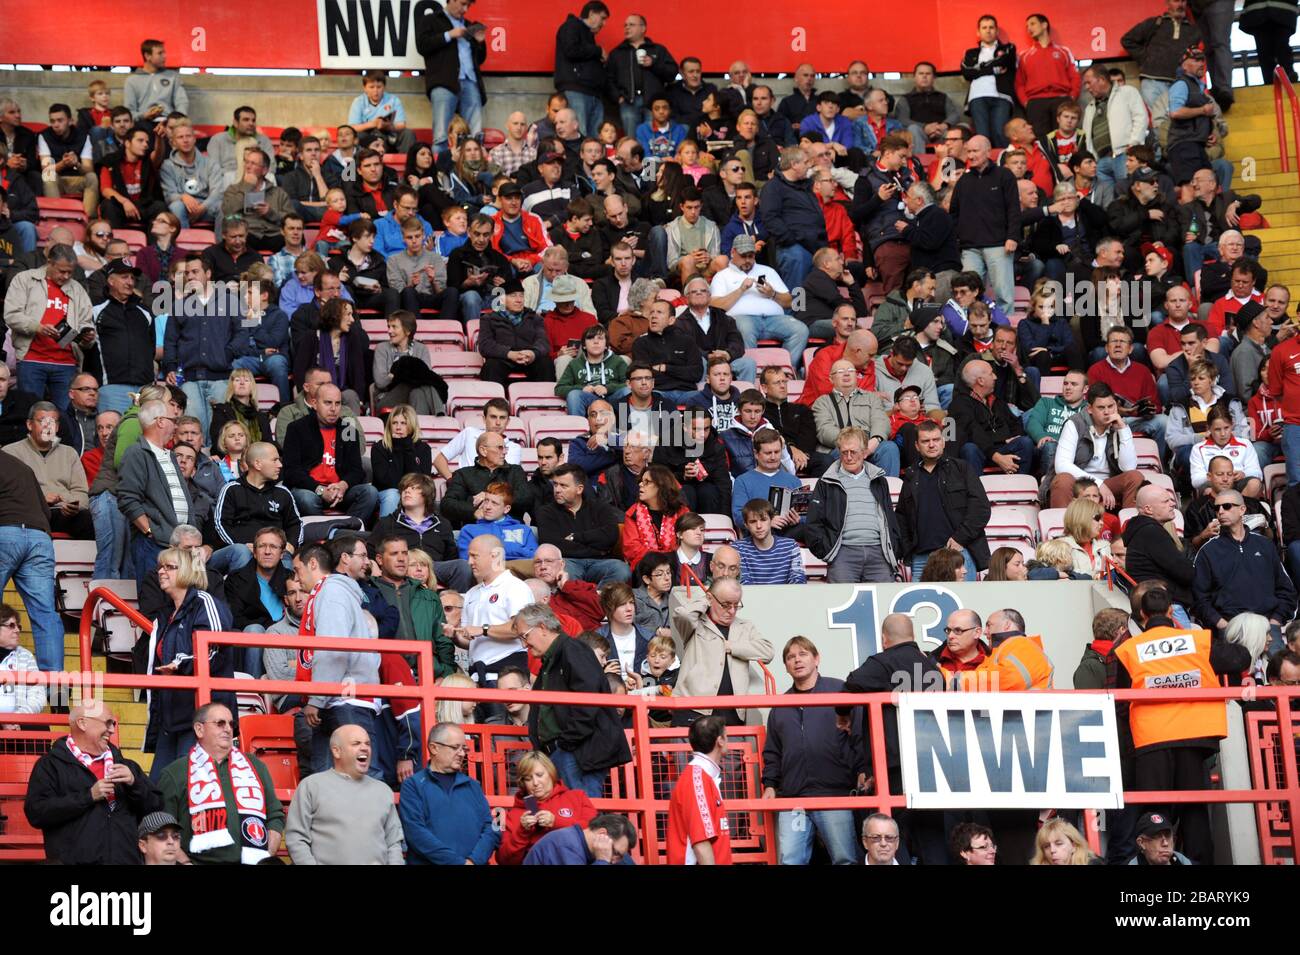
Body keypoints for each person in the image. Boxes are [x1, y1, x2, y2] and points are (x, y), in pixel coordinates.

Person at [1114, 587, 1250, 864]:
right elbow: (1241, 657)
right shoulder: (1196, 640)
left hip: (1150, 740)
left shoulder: (1128, 650)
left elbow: (1121, 703)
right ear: (1169, 612)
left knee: (1155, 811)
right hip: (1194, 736)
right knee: (1194, 809)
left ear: (1142, 615)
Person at [838, 612, 944, 863]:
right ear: (913, 636)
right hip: (933, 765)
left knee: (893, 834)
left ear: (884, 639)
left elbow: (850, 685)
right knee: (932, 838)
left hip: (896, 766)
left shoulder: (883, 662)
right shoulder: (932, 665)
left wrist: (843, 715)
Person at [761, 636, 862, 865]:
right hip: (793, 798)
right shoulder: (780, 706)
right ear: (785, 666)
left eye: (803, 654)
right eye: (790, 657)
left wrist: (862, 770)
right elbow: (773, 752)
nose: (797, 660)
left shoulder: (839, 692)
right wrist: (769, 785)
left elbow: (858, 737)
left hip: (834, 794)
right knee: (790, 860)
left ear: (817, 659)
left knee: (845, 859)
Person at [515, 602, 631, 796]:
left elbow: (589, 699)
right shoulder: (554, 657)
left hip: (576, 751)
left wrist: (565, 744)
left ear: (542, 628)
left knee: (580, 812)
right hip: (567, 749)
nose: (524, 644)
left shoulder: (572, 650)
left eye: (525, 636)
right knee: (572, 811)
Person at [24, 700, 159, 864]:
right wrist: (88, 796)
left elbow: (157, 809)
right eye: (108, 723)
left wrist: (135, 784)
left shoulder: (127, 767)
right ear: (82, 723)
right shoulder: (49, 765)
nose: (111, 730)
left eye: (113, 724)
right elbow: (36, 813)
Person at [142, 545, 236, 777]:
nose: (161, 572)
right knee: (159, 789)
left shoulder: (204, 602)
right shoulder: (164, 616)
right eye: (160, 567)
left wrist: (180, 664)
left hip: (201, 715)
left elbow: (213, 647)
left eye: (170, 567)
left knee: (189, 788)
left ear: (186, 572)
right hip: (171, 718)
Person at [155, 701, 283, 864]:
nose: (228, 729)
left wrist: (265, 858)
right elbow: (163, 831)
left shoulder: (255, 765)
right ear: (199, 729)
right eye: (220, 723)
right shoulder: (175, 772)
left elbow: (275, 816)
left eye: (231, 723)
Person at [284, 724, 404, 865]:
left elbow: (394, 843)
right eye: (356, 743)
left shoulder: (383, 790)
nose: (364, 747)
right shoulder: (311, 786)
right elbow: (296, 838)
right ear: (336, 751)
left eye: (367, 743)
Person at [1193, 489, 1296, 654]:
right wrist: (1222, 624)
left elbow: (1286, 590)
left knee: (1281, 674)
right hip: (1232, 626)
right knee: (1236, 676)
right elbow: (1199, 598)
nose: (1220, 512)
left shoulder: (1265, 545)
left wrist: (1275, 621)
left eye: (1226, 506)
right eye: (1216, 508)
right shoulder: (1208, 551)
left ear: (1242, 510)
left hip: (1267, 625)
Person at [894, 419, 991, 579]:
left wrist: (961, 538)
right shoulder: (911, 476)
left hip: (958, 553)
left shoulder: (961, 468)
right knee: (923, 604)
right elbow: (902, 517)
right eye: (926, 441)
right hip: (921, 559)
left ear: (943, 442)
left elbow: (981, 508)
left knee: (965, 603)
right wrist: (908, 547)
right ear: (917, 446)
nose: (932, 445)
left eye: (936, 440)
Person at [672, 577, 774, 726]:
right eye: (725, 605)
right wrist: (706, 601)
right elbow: (683, 615)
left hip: (732, 714)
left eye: (736, 605)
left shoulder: (745, 626)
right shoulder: (696, 623)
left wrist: (733, 647)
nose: (731, 611)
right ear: (710, 598)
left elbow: (768, 651)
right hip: (693, 709)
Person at [803, 426, 900, 582]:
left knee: (883, 604)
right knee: (840, 602)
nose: (848, 457)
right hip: (842, 555)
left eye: (853, 452)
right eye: (844, 452)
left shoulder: (879, 479)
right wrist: (827, 551)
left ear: (864, 452)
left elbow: (891, 518)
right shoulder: (826, 481)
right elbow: (813, 522)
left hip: (879, 554)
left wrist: (894, 548)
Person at [4, 245, 95, 411]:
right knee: (31, 413)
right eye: (61, 271)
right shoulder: (24, 279)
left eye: (70, 272)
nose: (66, 276)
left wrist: (87, 337)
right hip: (31, 358)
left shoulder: (77, 289)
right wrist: (37, 327)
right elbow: (11, 315)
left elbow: (86, 321)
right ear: (49, 263)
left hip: (67, 362)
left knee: (65, 418)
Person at [116, 399, 195, 587]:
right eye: (173, 420)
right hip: (154, 545)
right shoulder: (136, 452)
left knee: (187, 603)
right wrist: (151, 531)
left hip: (183, 545)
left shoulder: (170, 455)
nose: (176, 426)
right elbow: (127, 498)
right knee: (154, 602)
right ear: (160, 421)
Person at [398, 720, 499, 865]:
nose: (462, 754)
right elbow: (416, 834)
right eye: (455, 747)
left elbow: (493, 827)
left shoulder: (473, 786)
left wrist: (474, 860)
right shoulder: (413, 785)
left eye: (464, 748)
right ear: (434, 748)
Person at [708, 234, 809, 373]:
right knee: (745, 329)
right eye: (743, 256)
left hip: (774, 319)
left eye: (751, 256)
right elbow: (714, 305)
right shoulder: (722, 275)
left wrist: (773, 294)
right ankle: (753, 373)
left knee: (801, 329)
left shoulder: (768, 271)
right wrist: (740, 290)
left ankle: (785, 372)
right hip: (742, 319)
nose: (748, 260)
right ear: (733, 252)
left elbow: (789, 302)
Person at [281, 383, 378, 524]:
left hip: (340, 492)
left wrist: (343, 485)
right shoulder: (297, 428)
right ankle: (325, 531)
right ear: (314, 403)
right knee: (304, 498)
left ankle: (344, 531)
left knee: (370, 493)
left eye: (337, 403)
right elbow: (292, 471)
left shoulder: (348, 430)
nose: (333, 409)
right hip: (311, 490)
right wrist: (320, 490)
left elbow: (356, 470)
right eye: (327, 403)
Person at [948, 135, 1019, 316]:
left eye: (975, 151)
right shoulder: (963, 181)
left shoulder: (1004, 175)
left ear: (988, 152)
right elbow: (953, 213)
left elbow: (1013, 209)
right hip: (970, 248)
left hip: (999, 245)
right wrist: (958, 239)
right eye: (968, 151)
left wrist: (1012, 236)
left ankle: (1006, 333)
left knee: (1004, 295)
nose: (971, 155)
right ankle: (970, 334)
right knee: (967, 296)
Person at [1045, 382, 1145, 509]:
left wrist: (1123, 430)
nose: (1107, 412)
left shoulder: (1120, 425)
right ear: (1090, 409)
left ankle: (1130, 526)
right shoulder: (1075, 424)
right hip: (1079, 484)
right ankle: (1061, 527)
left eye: (1111, 406)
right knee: (1062, 479)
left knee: (1135, 477)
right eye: (1101, 408)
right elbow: (1061, 465)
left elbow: (1128, 467)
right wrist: (1098, 484)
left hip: (1109, 484)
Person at [4, 401, 91, 539]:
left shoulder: (69, 453)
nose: (47, 427)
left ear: (57, 427)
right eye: (42, 421)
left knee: (89, 518)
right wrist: (42, 501)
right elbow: (8, 497)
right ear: (29, 425)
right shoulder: (10, 453)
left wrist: (70, 505)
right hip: (29, 514)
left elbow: (82, 493)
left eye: (52, 422)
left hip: (64, 513)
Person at [497, 749, 598, 865]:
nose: (535, 782)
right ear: (523, 783)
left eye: (539, 775)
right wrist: (522, 832)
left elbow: (595, 830)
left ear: (551, 773)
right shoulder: (514, 815)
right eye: (528, 779)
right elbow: (503, 860)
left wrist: (556, 822)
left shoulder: (577, 796)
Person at [1079, 65, 1151, 207]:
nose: (1087, 87)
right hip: (1100, 162)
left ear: (1101, 79)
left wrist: (1134, 145)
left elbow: (1141, 117)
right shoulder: (1089, 107)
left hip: (1123, 155)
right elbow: (1088, 136)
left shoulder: (1127, 92)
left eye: (1088, 82)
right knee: (1107, 204)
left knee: (1129, 196)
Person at [756, 148, 827, 292]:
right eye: (805, 162)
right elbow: (770, 217)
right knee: (797, 291)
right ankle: (795, 312)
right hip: (793, 249)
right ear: (794, 164)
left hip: (814, 245)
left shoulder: (805, 186)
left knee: (816, 290)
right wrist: (790, 240)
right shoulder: (773, 187)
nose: (809, 166)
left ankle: (810, 314)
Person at [666, 714, 733, 865]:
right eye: (726, 736)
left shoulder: (701, 776)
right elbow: (700, 841)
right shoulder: (697, 779)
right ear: (720, 741)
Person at [949, 359, 1035, 475]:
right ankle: (977, 492)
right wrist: (996, 454)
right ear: (981, 381)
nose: (995, 377)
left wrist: (1014, 437)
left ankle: (1018, 487)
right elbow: (973, 431)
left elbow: (1015, 422)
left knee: (1025, 442)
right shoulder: (959, 403)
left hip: (1002, 449)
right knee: (969, 448)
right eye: (991, 373)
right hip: (981, 453)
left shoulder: (996, 401)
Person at [736, 499, 807, 585]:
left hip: (785, 597)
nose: (759, 526)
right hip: (752, 597)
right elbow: (743, 583)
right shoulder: (738, 548)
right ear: (746, 525)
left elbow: (798, 579)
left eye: (763, 520)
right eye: (753, 522)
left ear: (771, 520)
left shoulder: (790, 546)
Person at [523, 812, 638, 865]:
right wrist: (602, 860)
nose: (613, 860)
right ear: (602, 834)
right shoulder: (566, 844)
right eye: (615, 853)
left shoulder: (580, 846)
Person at [1128, 811, 1194, 865]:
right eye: (1157, 836)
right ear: (1141, 842)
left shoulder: (1181, 861)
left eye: (1167, 836)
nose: (1165, 843)